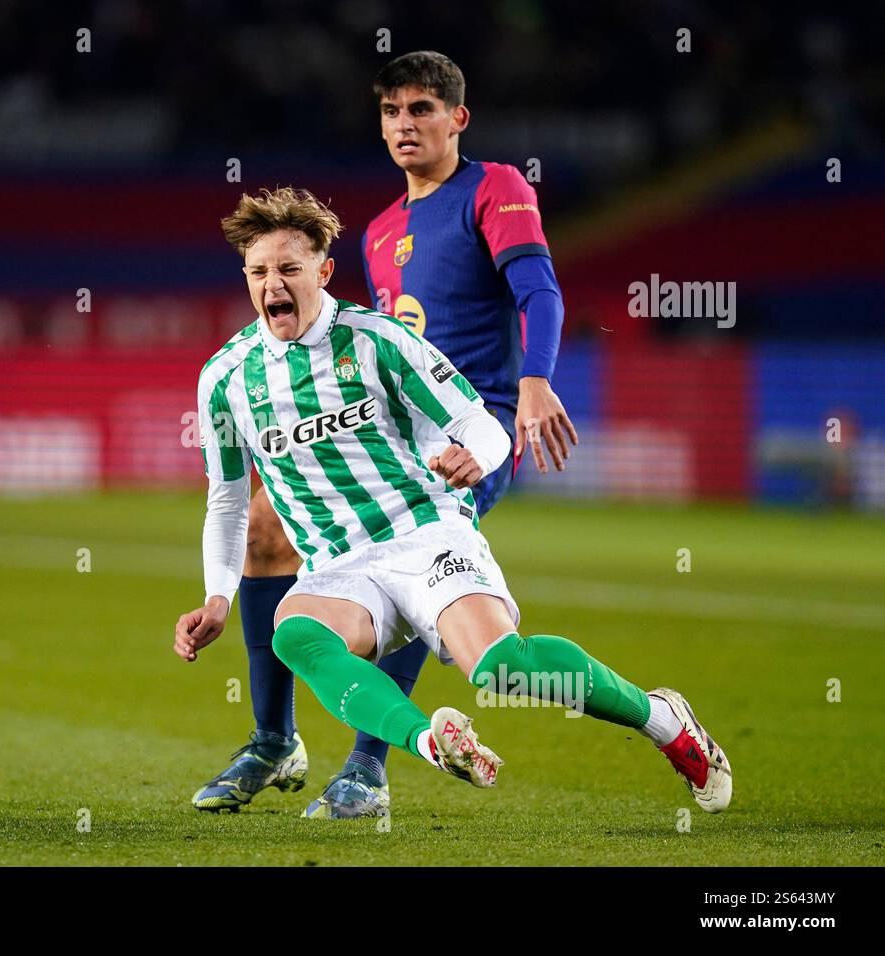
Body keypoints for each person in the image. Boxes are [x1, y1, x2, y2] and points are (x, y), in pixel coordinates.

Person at [177, 187, 731, 819]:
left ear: (324, 272)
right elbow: (226, 501)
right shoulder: (225, 378)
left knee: (501, 670)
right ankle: (427, 743)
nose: (273, 284)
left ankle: (662, 719)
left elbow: (483, 426)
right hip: (338, 567)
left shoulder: (379, 341)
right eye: (259, 272)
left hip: (426, 536)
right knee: (296, 633)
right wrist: (218, 597)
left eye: (289, 269)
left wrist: (478, 456)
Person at [192, 51, 580, 818]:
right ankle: (276, 739)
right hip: (396, 430)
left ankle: (369, 766)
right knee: (265, 531)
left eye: (423, 110)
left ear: (456, 119)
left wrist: (535, 380)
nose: (406, 125)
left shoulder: (493, 187)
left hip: (473, 429)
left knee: (405, 558)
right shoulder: (377, 233)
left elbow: (537, 288)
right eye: (393, 112)